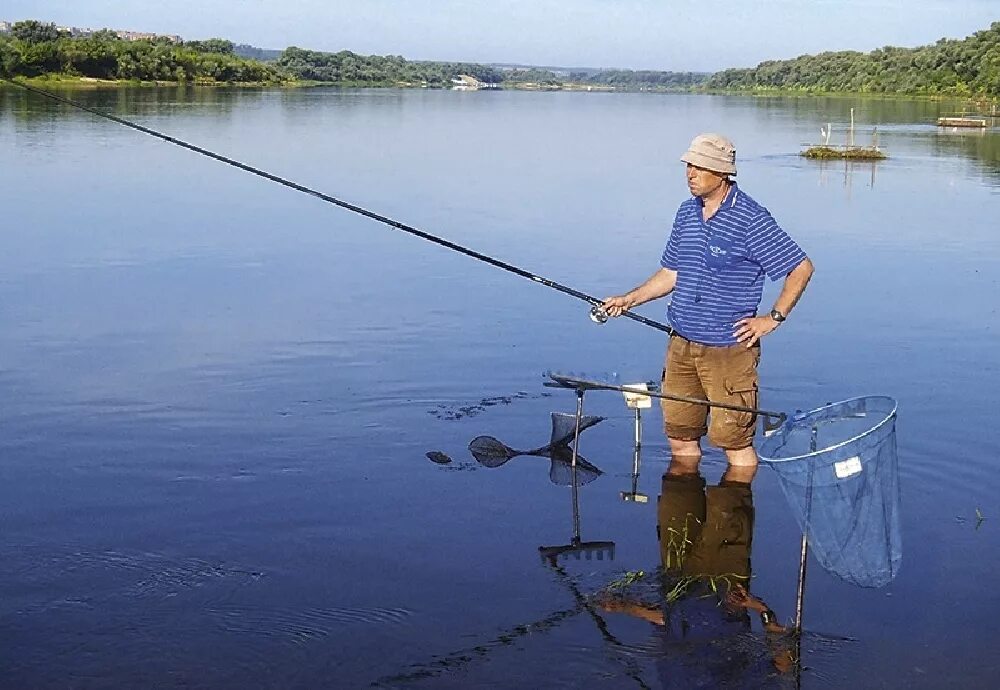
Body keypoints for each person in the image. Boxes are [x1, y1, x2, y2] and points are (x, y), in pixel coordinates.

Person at [602, 133, 814, 468]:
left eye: (700, 167)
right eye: (689, 165)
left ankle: (732, 512)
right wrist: (629, 299)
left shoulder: (750, 218)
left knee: (735, 443)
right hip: (681, 345)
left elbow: (800, 268)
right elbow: (671, 272)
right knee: (680, 437)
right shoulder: (687, 213)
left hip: (728, 351)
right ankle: (684, 514)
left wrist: (773, 318)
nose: (690, 173)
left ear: (722, 173)